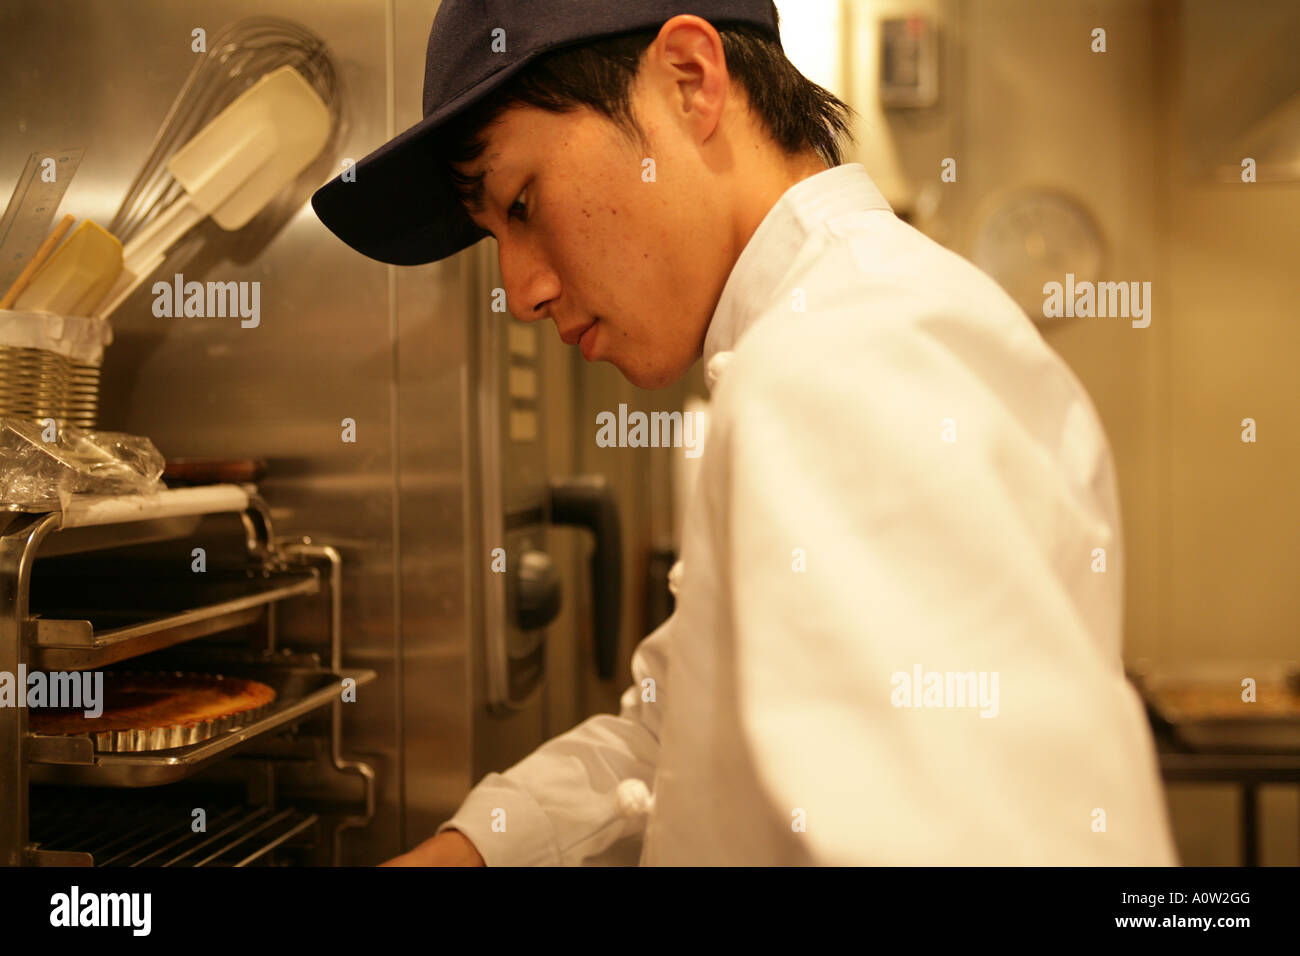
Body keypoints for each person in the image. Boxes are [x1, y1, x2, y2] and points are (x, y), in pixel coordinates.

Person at [312, 0, 1178, 866]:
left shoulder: (848, 355)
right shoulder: (816, 335)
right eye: (494, 234)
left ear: (690, 81)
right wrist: (475, 849)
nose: (521, 290)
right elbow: (682, 721)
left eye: (525, 202)